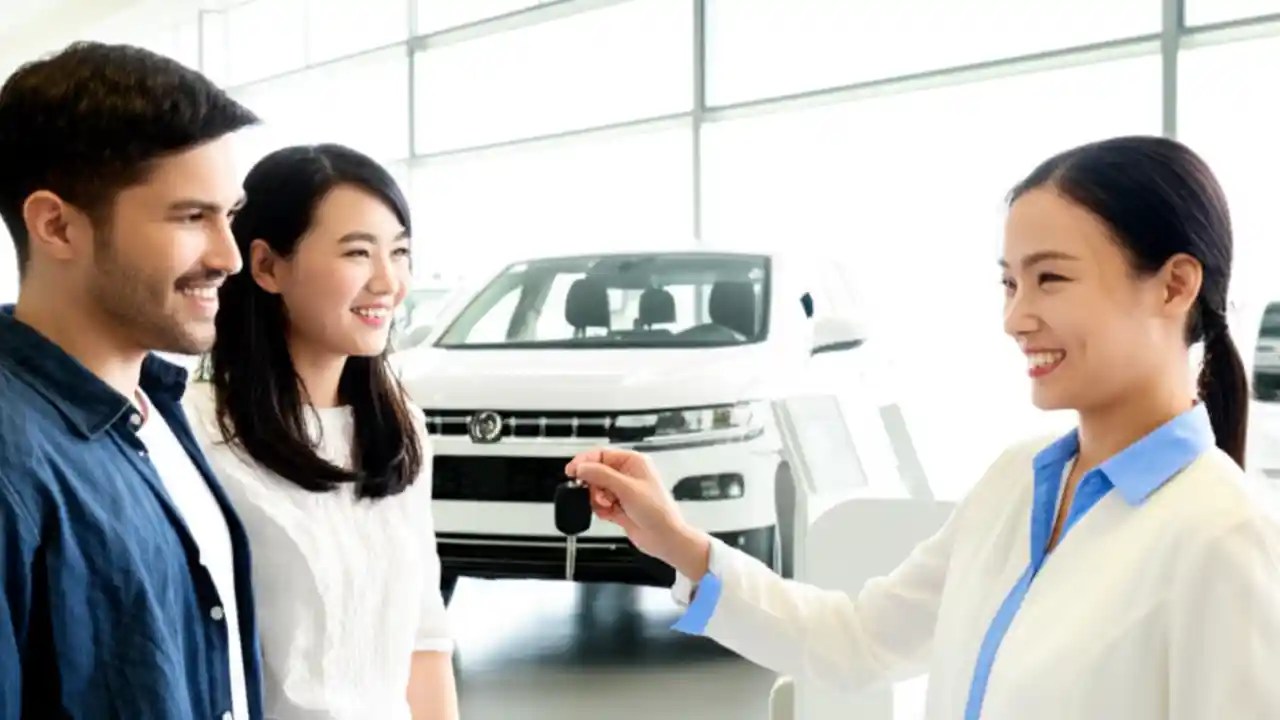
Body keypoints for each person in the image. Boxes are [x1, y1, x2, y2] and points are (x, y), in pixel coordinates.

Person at [565, 136, 1280, 719]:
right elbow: (858, 640)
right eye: (1009, 282)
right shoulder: (1017, 480)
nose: (1014, 317)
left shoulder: (1223, 535)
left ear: (1174, 285)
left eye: (1051, 279)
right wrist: (678, 544)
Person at [0, 43, 262, 718]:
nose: (228, 256)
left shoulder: (158, 411)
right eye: (190, 217)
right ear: (57, 225)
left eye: (228, 214)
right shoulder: (13, 461)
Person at [183, 143, 458, 719]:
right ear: (265, 267)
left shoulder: (398, 422)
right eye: (358, 252)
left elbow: (424, 636)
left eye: (400, 252)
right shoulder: (195, 431)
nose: (388, 281)